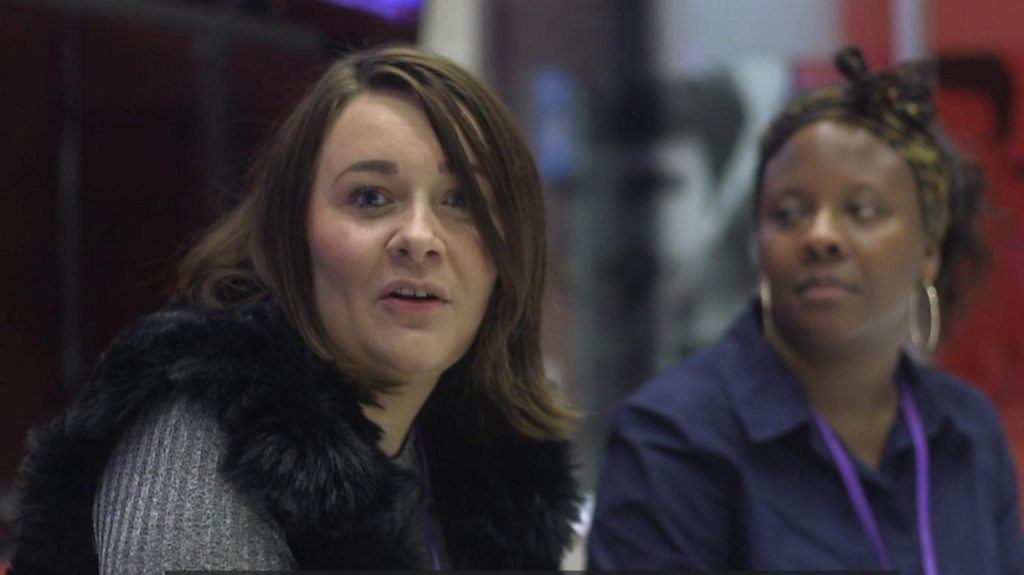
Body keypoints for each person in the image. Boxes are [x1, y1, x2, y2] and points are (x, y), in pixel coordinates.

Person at [10, 45, 580, 574]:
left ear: (510, 254)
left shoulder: (476, 458)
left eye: (462, 201)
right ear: (292, 237)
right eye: (370, 198)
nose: (420, 237)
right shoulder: (203, 438)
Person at [587, 46, 1024, 573]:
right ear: (759, 246)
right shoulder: (673, 436)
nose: (820, 237)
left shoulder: (967, 429)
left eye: (861, 211)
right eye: (788, 214)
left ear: (928, 252)